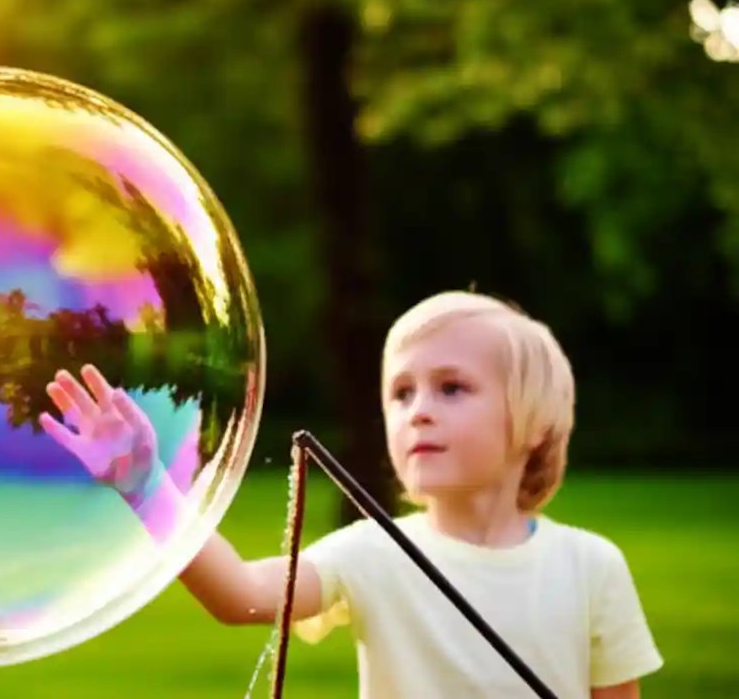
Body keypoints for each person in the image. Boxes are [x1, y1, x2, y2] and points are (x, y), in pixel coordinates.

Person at [40, 290, 663, 698]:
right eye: (401, 393)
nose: (418, 411)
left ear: (532, 421)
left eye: (451, 388)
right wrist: (148, 486)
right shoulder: (374, 553)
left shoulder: (591, 567)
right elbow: (242, 596)